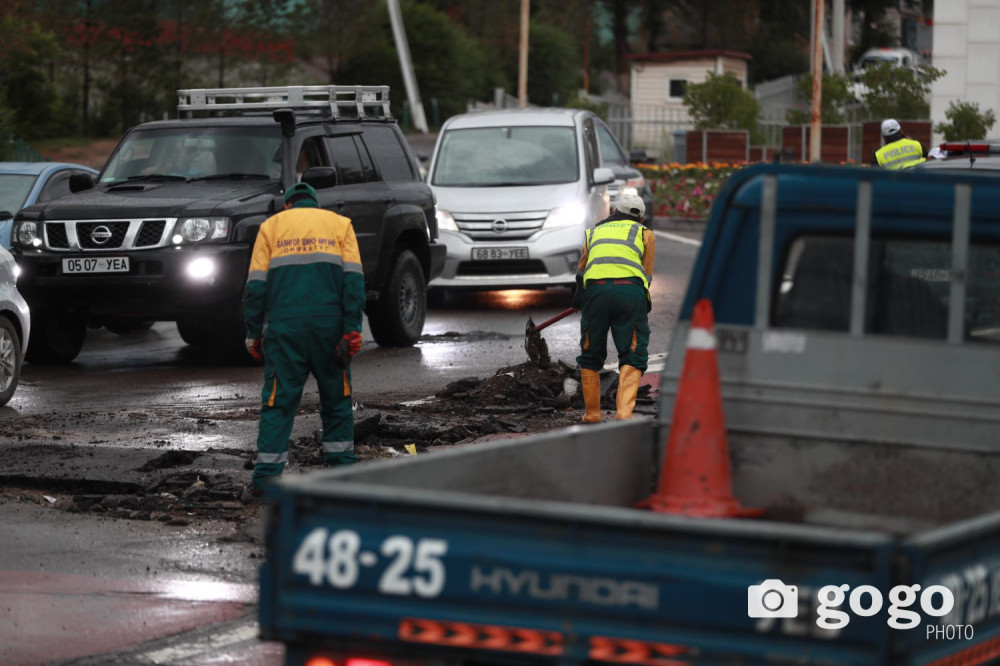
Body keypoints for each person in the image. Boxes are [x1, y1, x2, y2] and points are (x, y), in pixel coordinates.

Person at [243, 182, 365, 495]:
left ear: (287, 206)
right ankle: (343, 473)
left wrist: (253, 333)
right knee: (337, 399)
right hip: (331, 329)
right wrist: (352, 328)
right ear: (315, 203)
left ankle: (267, 479)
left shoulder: (271, 227)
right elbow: (353, 281)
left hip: (285, 330)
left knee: (278, 403)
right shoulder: (340, 225)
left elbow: (255, 287)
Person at [571, 192, 656, 423]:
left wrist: (579, 299)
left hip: (595, 293)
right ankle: (624, 414)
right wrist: (640, 304)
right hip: (630, 292)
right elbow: (646, 275)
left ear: (614, 212)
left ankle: (592, 414)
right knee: (633, 352)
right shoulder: (644, 233)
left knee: (590, 352)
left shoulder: (593, 232)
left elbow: (581, 271)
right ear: (641, 219)